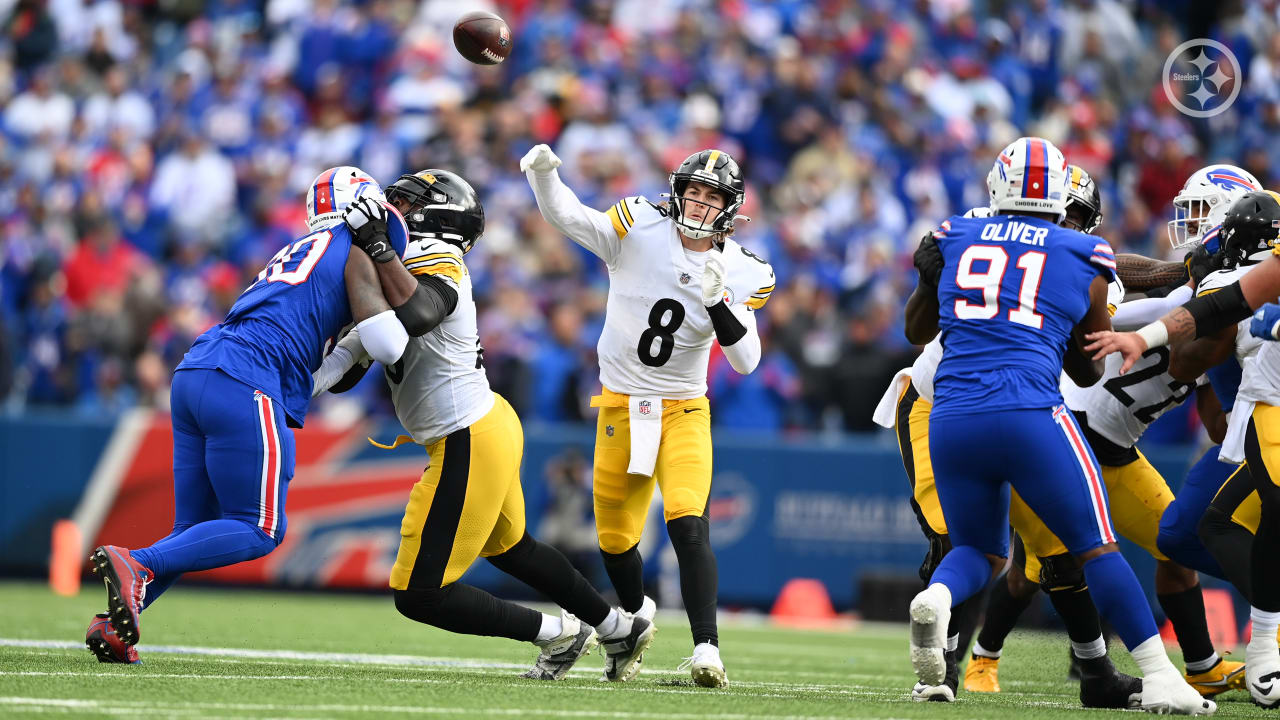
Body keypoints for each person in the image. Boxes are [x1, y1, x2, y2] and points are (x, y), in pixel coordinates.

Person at [905, 137, 1213, 715]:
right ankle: (1160, 675)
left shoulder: (955, 234)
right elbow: (1087, 365)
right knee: (1096, 548)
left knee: (978, 549)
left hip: (951, 415)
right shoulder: (1083, 252)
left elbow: (915, 331)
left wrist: (927, 281)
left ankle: (939, 597)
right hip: (1028, 412)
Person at [311, 169, 651, 682]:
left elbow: (421, 311)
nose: (391, 209)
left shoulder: (439, 258)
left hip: (468, 434)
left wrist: (378, 250)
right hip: (481, 425)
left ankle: (557, 633)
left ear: (438, 216)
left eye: (406, 202)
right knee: (515, 550)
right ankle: (617, 627)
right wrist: (295, 380)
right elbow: (348, 365)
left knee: (420, 593)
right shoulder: (397, 264)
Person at [86, 166, 437, 663]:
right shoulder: (375, 232)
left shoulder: (300, 247)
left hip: (197, 368)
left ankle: (115, 626)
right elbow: (388, 340)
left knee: (193, 530)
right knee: (260, 527)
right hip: (248, 378)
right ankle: (136, 563)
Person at [966, 167, 1243, 699]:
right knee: (1039, 568)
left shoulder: (1220, 308)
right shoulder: (1185, 302)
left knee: (1176, 545)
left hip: (1118, 451)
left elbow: (1213, 419)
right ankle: (988, 657)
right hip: (1064, 435)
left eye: (1204, 215)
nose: (1192, 226)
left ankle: (1203, 664)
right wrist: (1184, 279)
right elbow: (1112, 299)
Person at [522, 144, 775, 687]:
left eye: (713, 195)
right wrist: (544, 175)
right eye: (694, 189)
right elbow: (570, 217)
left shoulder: (743, 269)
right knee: (614, 541)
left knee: (687, 520)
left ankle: (707, 648)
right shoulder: (638, 226)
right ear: (677, 188)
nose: (699, 201)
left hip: (684, 408)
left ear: (730, 207)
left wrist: (718, 302)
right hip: (620, 405)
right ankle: (631, 623)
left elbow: (746, 360)